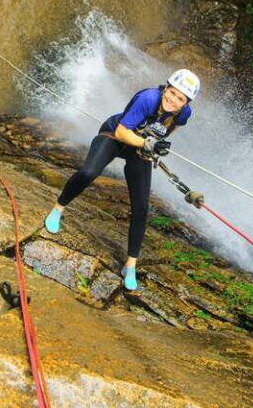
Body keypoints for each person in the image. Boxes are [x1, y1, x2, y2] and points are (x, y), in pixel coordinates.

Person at [43, 69, 200, 291]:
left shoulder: (184, 114)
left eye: (180, 99)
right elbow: (121, 132)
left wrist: (155, 143)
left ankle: (130, 265)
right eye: (172, 92)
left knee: (142, 206)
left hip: (140, 148)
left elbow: (172, 126)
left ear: (186, 103)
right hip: (115, 136)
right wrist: (146, 143)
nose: (173, 100)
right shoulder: (148, 99)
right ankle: (58, 208)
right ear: (166, 87)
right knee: (88, 172)